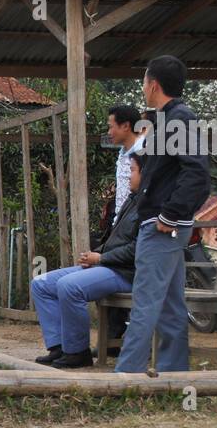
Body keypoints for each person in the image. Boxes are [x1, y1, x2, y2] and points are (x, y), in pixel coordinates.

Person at [114, 55, 211, 374]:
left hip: (162, 226)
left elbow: (197, 172)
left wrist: (170, 215)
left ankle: (126, 376)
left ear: (153, 84)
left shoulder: (179, 119)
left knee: (144, 302)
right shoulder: (167, 119)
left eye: (144, 82)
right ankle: (172, 373)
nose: (143, 88)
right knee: (170, 304)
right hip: (161, 223)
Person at [31, 152, 144, 368]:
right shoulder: (131, 200)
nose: (129, 177)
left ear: (145, 174)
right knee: (41, 283)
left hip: (126, 272)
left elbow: (138, 250)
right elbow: (115, 241)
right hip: (108, 264)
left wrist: (101, 257)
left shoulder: (149, 205)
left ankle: (78, 352)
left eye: (132, 171)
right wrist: (93, 256)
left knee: (69, 286)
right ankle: (59, 347)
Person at [107, 104, 146, 224]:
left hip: (137, 224)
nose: (109, 132)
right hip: (122, 222)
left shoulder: (144, 151)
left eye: (111, 127)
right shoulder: (123, 151)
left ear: (125, 126)